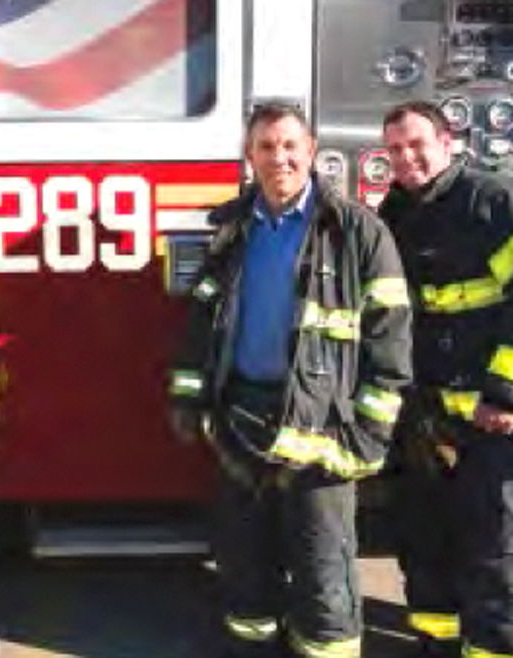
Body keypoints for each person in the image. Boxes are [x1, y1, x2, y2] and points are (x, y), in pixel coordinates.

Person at [170, 101, 412, 658]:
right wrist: (189, 398)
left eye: (288, 145)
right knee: (244, 566)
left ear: (311, 151)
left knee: (323, 573)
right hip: (240, 422)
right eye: (265, 146)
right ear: (249, 156)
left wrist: (370, 433)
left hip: (323, 428)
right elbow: (201, 323)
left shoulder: (358, 231)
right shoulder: (231, 229)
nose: (278, 157)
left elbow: (390, 338)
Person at [378, 101, 513, 658]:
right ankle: (438, 647)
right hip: (432, 419)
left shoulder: (497, 200)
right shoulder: (398, 213)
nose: (407, 157)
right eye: (394, 149)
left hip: (503, 421)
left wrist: (507, 394)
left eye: (417, 144)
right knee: (428, 546)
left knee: (498, 557)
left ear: (448, 140)